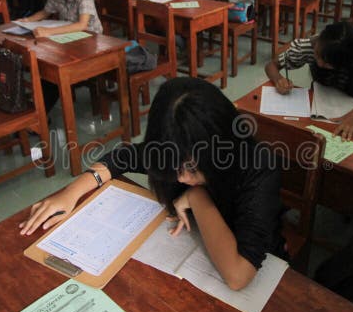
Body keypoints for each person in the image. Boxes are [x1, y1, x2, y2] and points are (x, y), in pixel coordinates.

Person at [19, 77, 287, 290]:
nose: (180, 178)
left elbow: (238, 276)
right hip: (184, 259)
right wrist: (71, 193)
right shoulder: (176, 150)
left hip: (262, 279)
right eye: (174, 165)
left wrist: (197, 197)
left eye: (192, 169)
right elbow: (122, 157)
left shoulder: (259, 168)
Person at [265, 21, 353, 141]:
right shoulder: (312, 45)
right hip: (321, 107)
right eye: (317, 55)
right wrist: (278, 79)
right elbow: (271, 66)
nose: (319, 63)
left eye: (327, 64)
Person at [19, 0, 103, 113]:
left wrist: (48, 32)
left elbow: (82, 25)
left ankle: (40, 114)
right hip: (68, 41)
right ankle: (38, 111)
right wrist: (27, 20)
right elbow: (45, 12)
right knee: (46, 68)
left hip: (89, 44)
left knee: (53, 72)